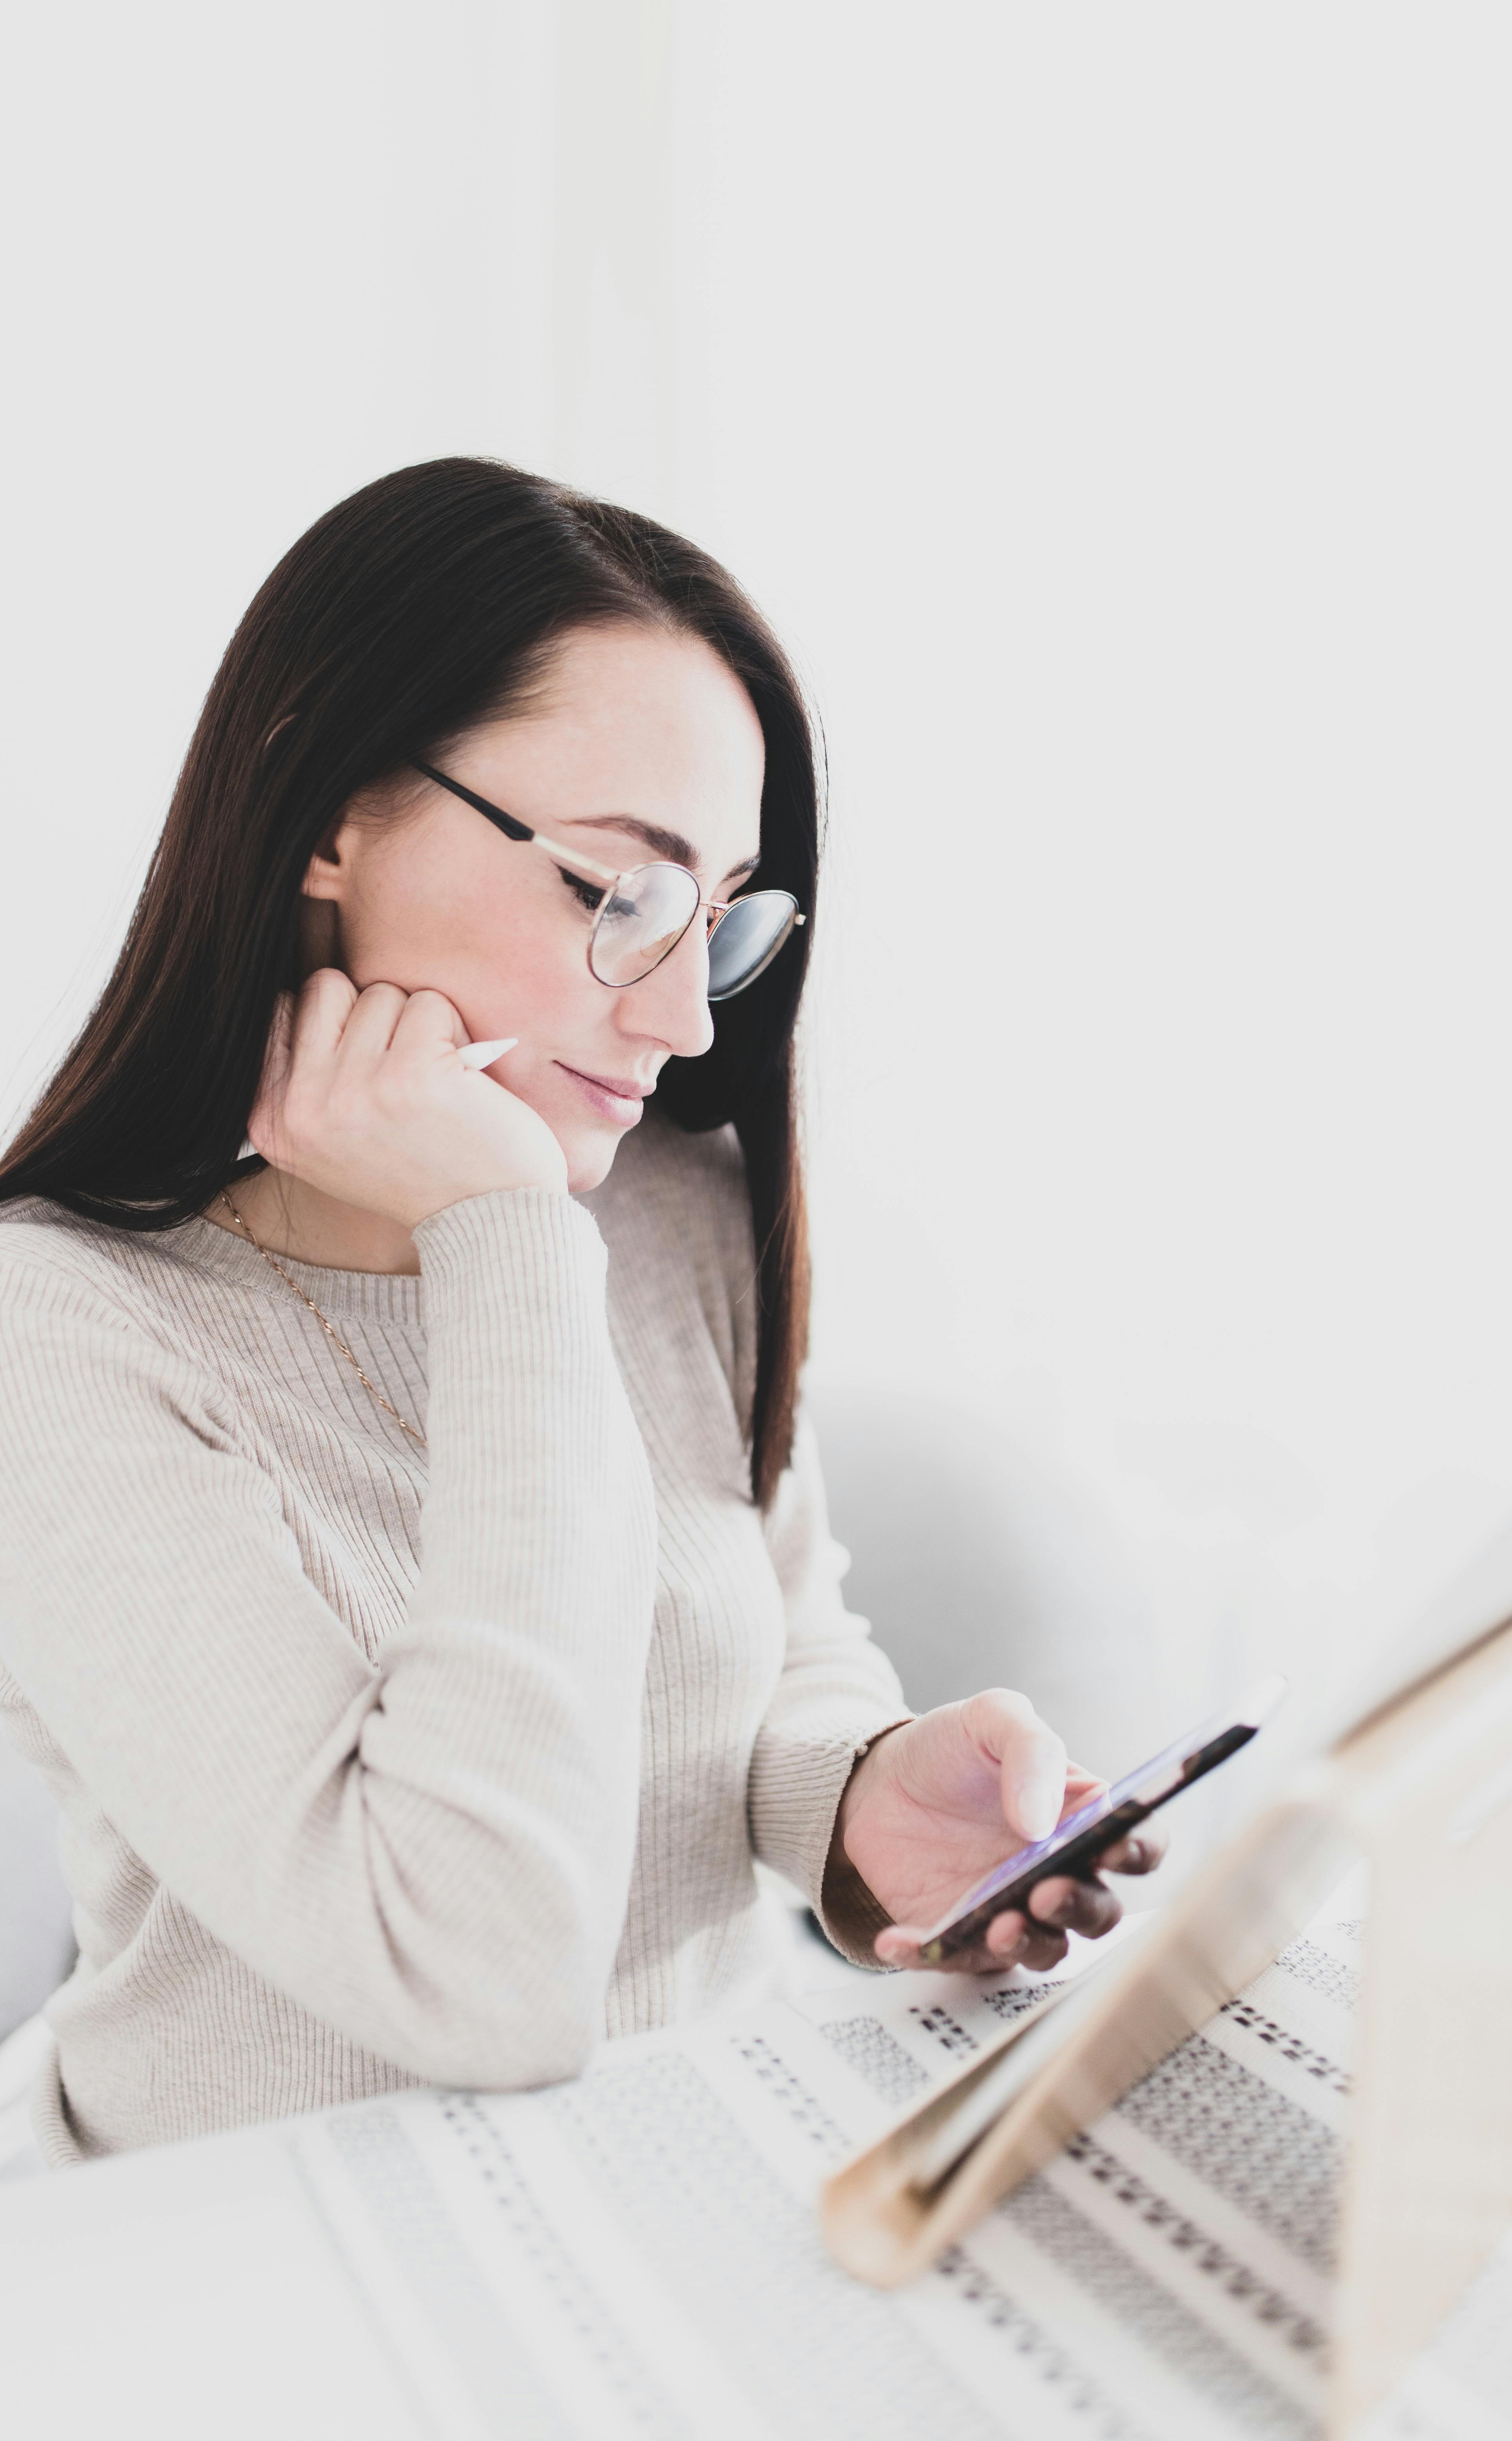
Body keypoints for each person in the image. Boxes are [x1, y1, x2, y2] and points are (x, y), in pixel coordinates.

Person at [0, 459, 1162, 2164]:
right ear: (320, 801)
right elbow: (477, 1981)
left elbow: (761, 1629)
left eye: (720, 916)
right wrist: (504, 1241)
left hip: (679, 2192)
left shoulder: (671, 1204)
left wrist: (850, 1805)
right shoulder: (66, 1335)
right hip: (243, 2268)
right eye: (616, 893)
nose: (687, 1020)